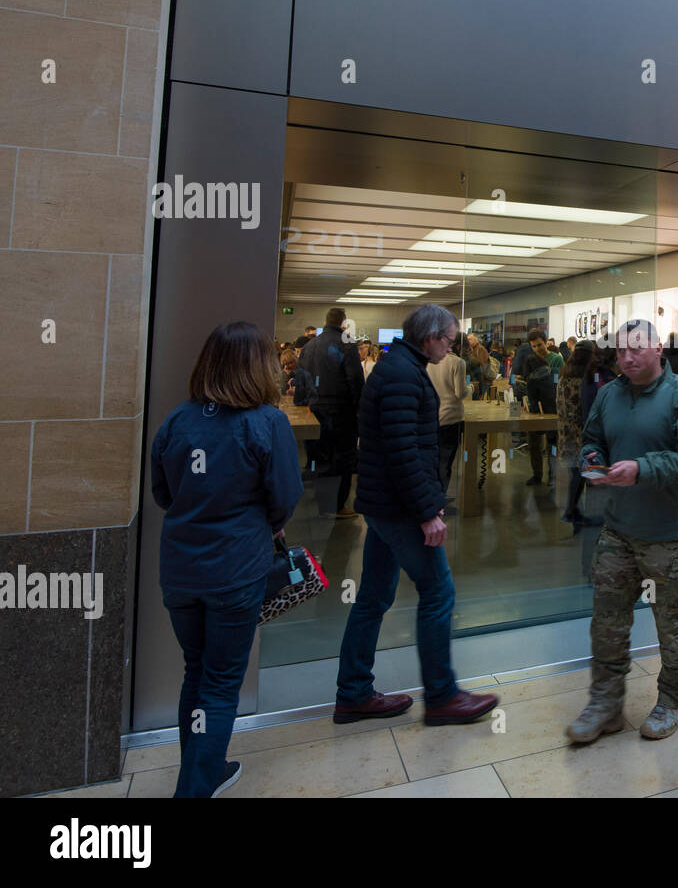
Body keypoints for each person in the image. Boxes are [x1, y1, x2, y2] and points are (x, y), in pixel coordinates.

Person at [151, 321, 304, 797]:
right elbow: (285, 495)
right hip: (236, 572)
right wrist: (268, 521)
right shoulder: (266, 422)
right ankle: (194, 789)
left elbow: (163, 494)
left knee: (195, 672)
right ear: (261, 367)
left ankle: (206, 768)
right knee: (219, 684)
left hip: (180, 571)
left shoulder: (178, 420)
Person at [337, 304, 499, 727]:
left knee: (372, 598)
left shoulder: (400, 368)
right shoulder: (403, 376)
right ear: (429, 337)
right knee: (438, 593)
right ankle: (443, 696)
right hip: (399, 509)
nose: (450, 346)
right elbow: (403, 452)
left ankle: (353, 693)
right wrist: (428, 511)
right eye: (448, 339)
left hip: (385, 506)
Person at [566, 319, 678, 743]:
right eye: (620, 351)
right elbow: (592, 437)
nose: (626, 358)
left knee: (676, 631)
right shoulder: (611, 394)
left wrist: (642, 469)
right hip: (620, 532)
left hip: (674, 538)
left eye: (635, 349)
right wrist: (593, 461)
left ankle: (674, 702)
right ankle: (605, 704)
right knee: (607, 625)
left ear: (658, 349)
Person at [297, 307, 363, 519]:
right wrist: (360, 408)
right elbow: (354, 378)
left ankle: (323, 501)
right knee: (343, 457)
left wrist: (301, 402)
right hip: (341, 410)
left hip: (315, 409)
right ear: (343, 322)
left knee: (320, 456)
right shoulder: (347, 343)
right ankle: (338, 506)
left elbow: (301, 378)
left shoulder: (309, 346)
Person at [428, 334, 470, 511]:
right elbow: (460, 393)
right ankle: (439, 503)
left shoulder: (430, 361)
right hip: (451, 418)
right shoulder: (458, 363)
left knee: (434, 461)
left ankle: (432, 498)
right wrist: (472, 387)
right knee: (446, 463)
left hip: (433, 417)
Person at [557, 339, 596, 533]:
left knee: (576, 474)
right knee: (580, 475)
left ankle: (575, 515)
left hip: (566, 433)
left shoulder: (564, 374)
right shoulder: (585, 379)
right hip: (580, 433)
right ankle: (571, 511)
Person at [522, 329, 563, 485]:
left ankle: (553, 476)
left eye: (539, 344)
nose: (537, 348)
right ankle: (537, 475)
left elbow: (558, 381)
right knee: (534, 445)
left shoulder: (556, 360)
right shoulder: (531, 360)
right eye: (533, 346)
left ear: (546, 342)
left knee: (553, 445)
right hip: (535, 410)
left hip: (552, 409)